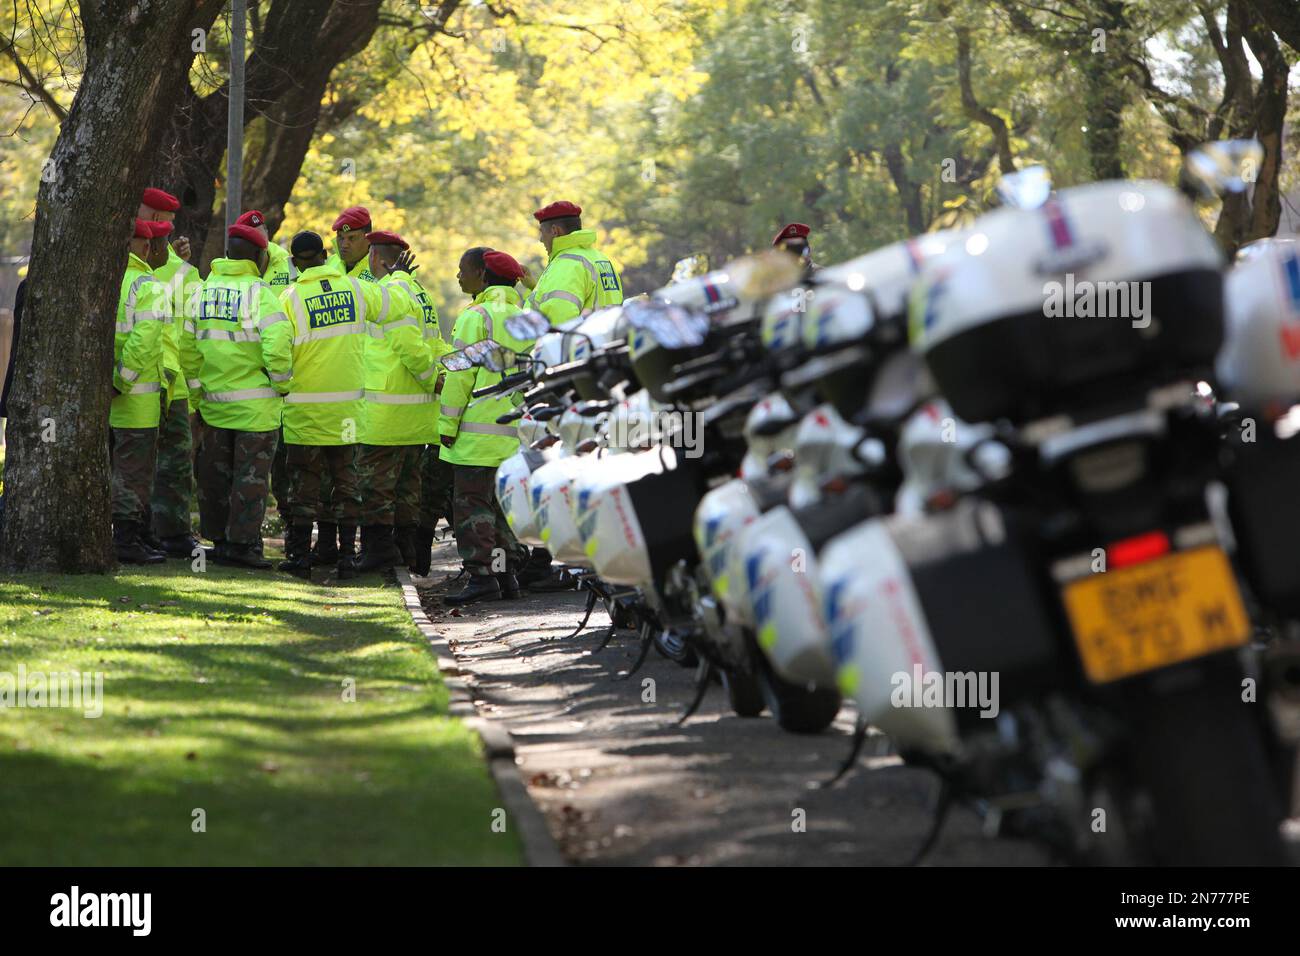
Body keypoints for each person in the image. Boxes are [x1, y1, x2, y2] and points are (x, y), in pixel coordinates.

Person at [276, 231, 392, 579]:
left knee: (304, 488)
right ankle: (346, 559)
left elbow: (279, 350)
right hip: (347, 413)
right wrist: (396, 275)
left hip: (305, 411)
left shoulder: (290, 297)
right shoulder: (355, 289)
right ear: (326, 256)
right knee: (347, 487)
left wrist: (281, 386)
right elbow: (392, 306)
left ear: (296, 263)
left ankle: (300, 558)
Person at [185, 223, 293, 567]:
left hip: (214, 407)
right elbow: (277, 344)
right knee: (250, 480)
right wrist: (281, 383)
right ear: (261, 257)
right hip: (256, 411)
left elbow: (187, 348)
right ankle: (244, 547)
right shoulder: (260, 293)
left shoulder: (202, 291)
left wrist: (197, 393)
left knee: (214, 478)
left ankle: (220, 543)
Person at [438, 248, 532, 605]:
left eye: (463, 270)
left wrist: (447, 423)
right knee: (503, 510)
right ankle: (505, 576)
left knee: (473, 507)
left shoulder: (475, 316)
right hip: (515, 436)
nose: (459, 276)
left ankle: (481, 578)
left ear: (484, 275)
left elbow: (460, 377)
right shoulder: (525, 317)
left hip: (476, 437)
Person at [354, 231, 447, 574]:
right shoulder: (420, 292)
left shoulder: (392, 292)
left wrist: (430, 377)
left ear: (376, 258)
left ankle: (379, 552)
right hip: (416, 413)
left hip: (386, 409)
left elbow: (409, 346)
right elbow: (435, 343)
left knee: (375, 486)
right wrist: (438, 379)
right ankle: (405, 553)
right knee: (408, 487)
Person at [138, 187, 202, 557]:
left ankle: (165, 534)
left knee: (165, 462)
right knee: (159, 462)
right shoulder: (182, 272)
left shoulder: (182, 272)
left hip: (153, 383)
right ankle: (161, 534)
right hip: (154, 381)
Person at [111, 219, 170, 563]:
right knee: (133, 473)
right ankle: (127, 542)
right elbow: (146, 339)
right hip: (136, 399)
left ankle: (133, 537)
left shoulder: (104, 277)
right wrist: (122, 380)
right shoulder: (147, 285)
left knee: (113, 470)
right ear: (145, 248)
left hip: (105, 399)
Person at [523, 201, 624, 325]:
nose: (541, 239)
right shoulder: (601, 258)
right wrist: (533, 287)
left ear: (555, 231)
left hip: (575, 342)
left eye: (542, 233)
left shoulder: (567, 264)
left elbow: (559, 318)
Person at [234, 210, 294, 289]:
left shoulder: (287, 262)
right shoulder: (226, 271)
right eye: (251, 239)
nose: (258, 242)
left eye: (260, 235)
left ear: (267, 232)